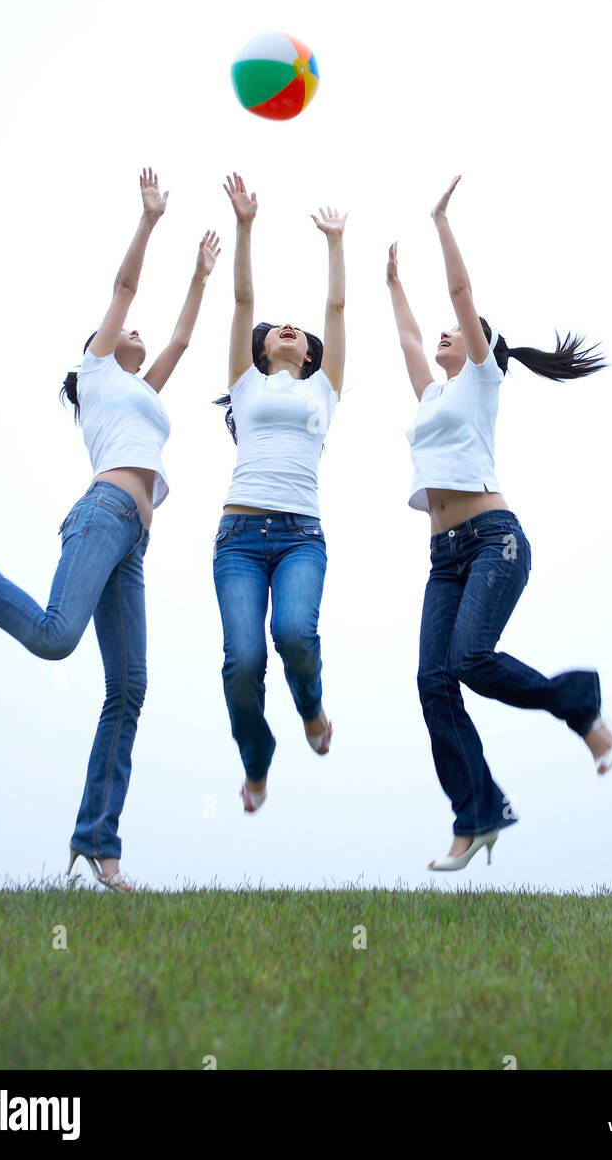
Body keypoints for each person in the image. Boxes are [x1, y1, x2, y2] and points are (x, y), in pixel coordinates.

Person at [0, 168, 220, 891]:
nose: (135, 331)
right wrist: (149, 222)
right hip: (103, 515)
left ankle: (98, 840)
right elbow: (122, 292)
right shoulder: (97, 376)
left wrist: (201, 271)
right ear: (96, 347)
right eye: (120, 329)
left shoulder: (143, 390)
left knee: (130, 685)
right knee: (56, 636)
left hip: (132, 541)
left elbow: (181, 336)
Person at [386, 175, 612, 872]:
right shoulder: (431, 395)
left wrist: (439, 223)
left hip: (495, 540)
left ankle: (579, 706)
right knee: (434, 680)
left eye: (459, 330)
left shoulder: (481, 381)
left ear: (483, 346)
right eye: (443, 332)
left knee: (469, 660)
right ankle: (478, 810)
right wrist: (392, 283)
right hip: (445, 556)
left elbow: (462, 294)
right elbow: (406, 335)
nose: (445, 331)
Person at [212, 173, 345, 814]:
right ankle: (256, 761)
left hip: (300, 538)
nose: (288, 328)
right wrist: (244, 226)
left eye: (298, 330)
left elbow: (337, 313)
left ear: (312, 356)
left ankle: (311, 707)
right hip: (238, 538)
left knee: (294, 633)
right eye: (276, 329)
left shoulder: (324, 390)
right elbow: (241, 301)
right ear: (262, 349)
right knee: (242, 661)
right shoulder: (246, 385)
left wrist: (335, 243)